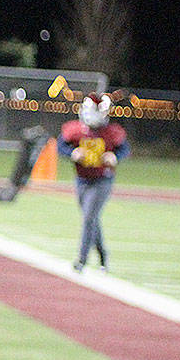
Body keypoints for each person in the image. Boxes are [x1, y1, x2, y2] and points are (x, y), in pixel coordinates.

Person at [58, 92, 129, 271]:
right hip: (82, 179)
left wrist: (115, 156)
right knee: (92, 219)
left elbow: (125, 149)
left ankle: (81, 260)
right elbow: (61, 145)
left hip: (102, 179)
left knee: (89, 217)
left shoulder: (111, 132)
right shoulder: (76, 129)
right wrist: (71, 153)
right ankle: (103, 254)